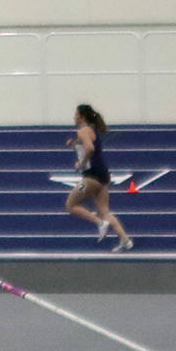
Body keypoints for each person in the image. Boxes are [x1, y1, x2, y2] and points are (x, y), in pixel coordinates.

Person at [64, 104, 133, 252]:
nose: (74, 117)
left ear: (81, 117)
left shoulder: (82, 130)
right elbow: (85, 144)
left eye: (76, 114)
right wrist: (73, 143)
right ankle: (125, 240)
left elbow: (89, 148)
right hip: (103, 175)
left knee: (70, 205)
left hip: (91, 176)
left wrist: (82, 164)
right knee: (105, 211)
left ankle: (99, 223)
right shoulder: (89, 130)